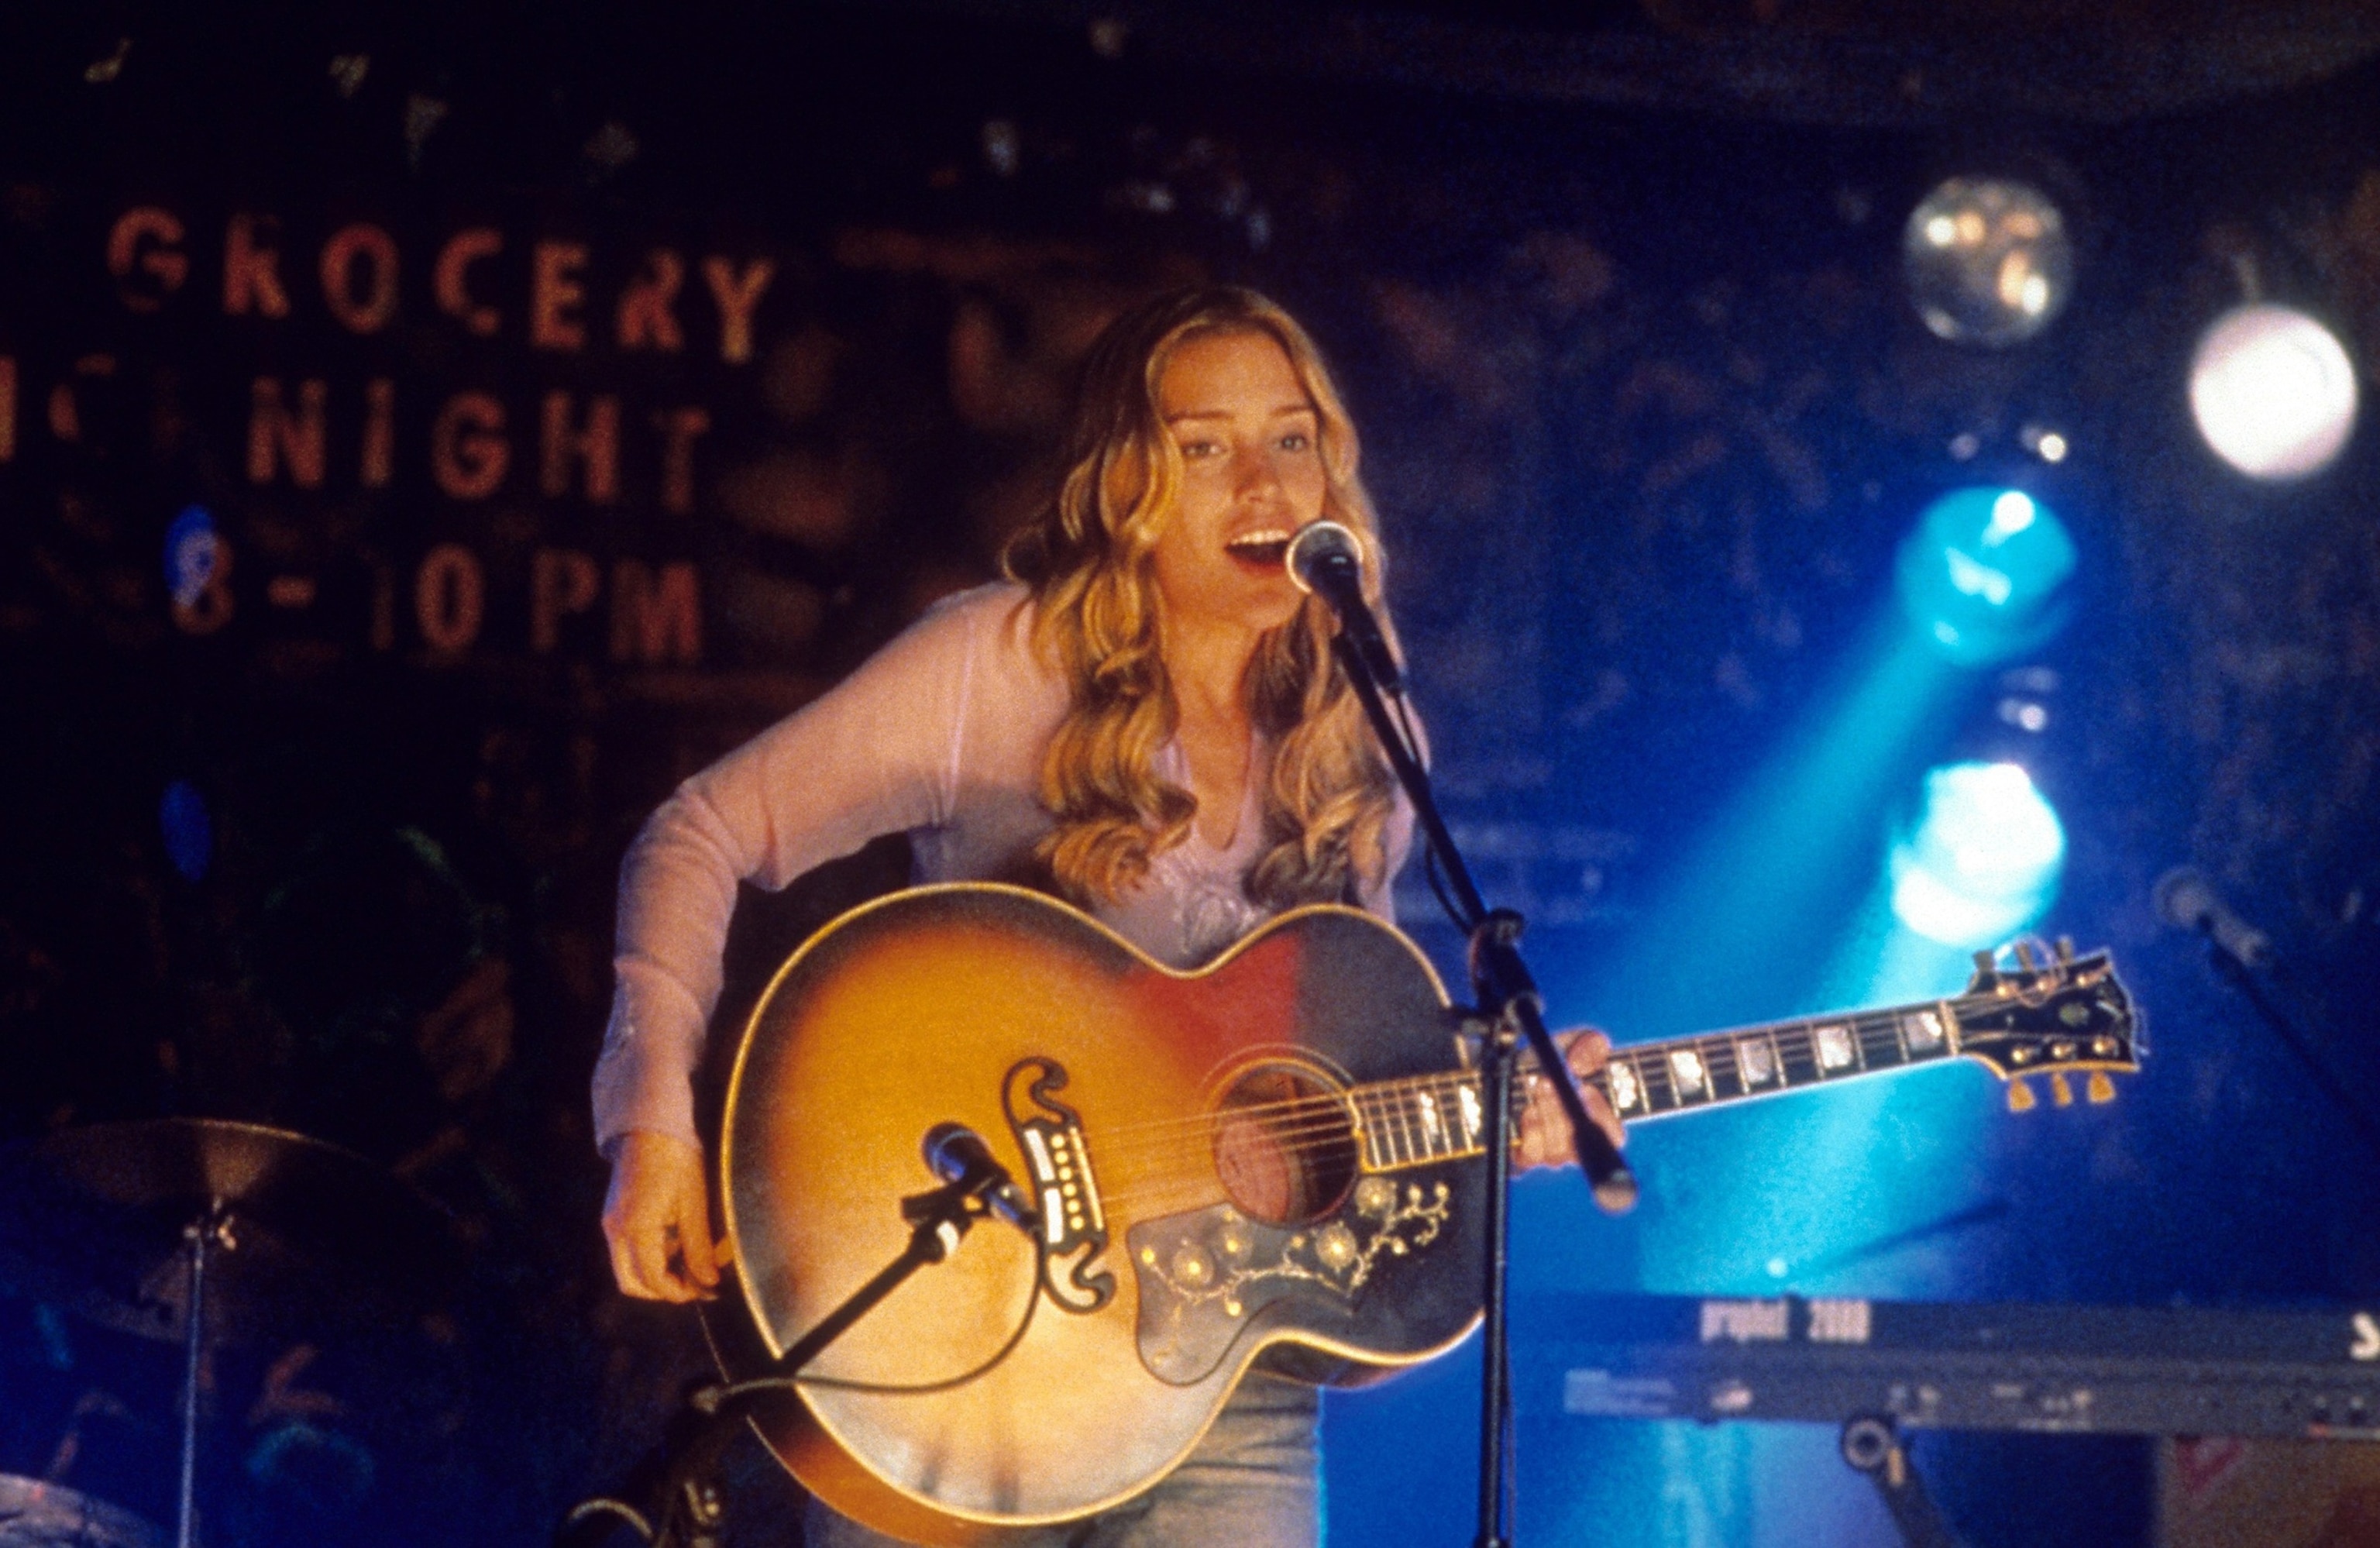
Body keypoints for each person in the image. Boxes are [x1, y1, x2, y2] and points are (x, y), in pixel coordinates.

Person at [592, 284, 1622, 1546]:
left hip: (1230, 1396)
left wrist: (1501, 1111)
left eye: (1291, 439)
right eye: (1205, 448)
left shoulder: (1366, 726)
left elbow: (1352, 1065)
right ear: (1128, 483)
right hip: (965, 1342)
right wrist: (650, 1114)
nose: (1263, 484)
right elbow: (697, 831)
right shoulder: (1000, 664)